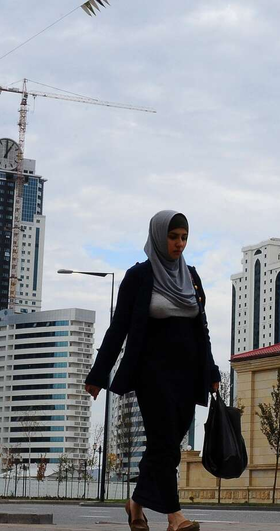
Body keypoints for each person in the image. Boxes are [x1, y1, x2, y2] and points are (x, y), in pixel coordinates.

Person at [85, 211, 220, 531]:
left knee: (169, 445)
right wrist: (98, 373)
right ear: (160, 237)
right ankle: (175, 518)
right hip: (152, 373)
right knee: (162, 441)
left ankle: (136, 504)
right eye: (173, 237)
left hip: (188, 374)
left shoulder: (192, 276)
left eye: (184, 237)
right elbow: (118, 327)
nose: (179, 243)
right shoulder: (139, 277)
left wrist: (211, 370)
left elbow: (202, 328)